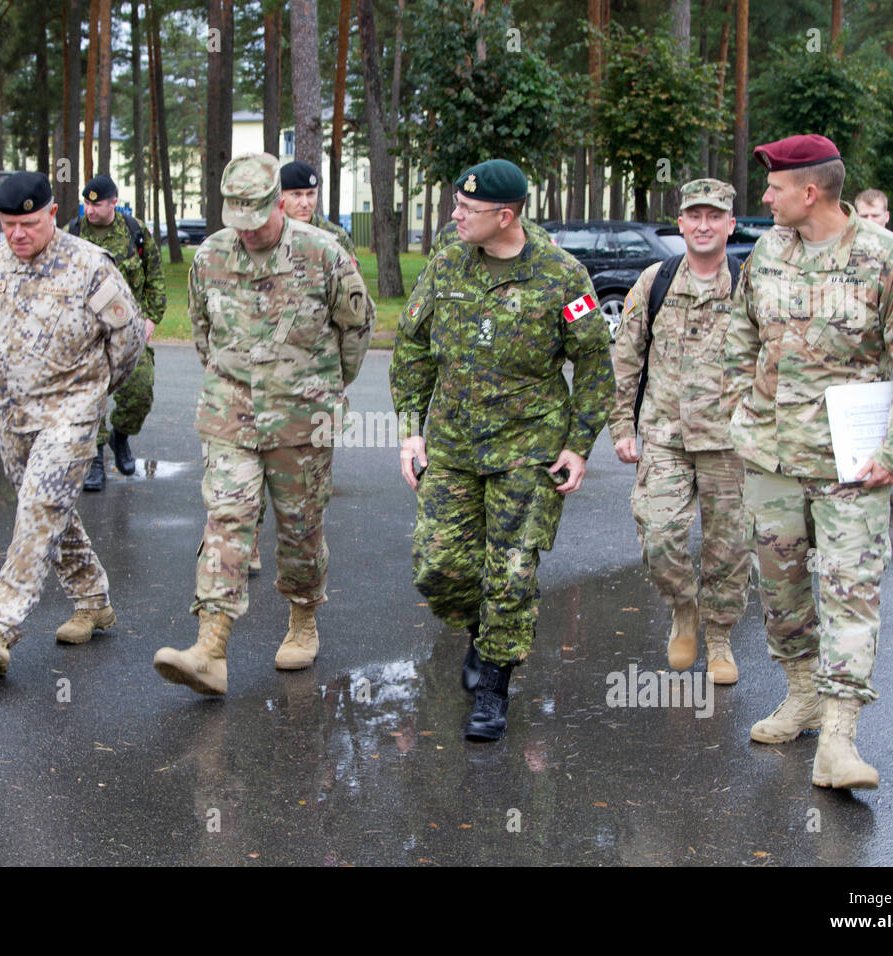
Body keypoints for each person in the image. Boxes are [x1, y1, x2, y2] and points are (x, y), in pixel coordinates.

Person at [723, 134, 893, 789]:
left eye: (775, 188)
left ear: (810, 191)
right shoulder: (767, 252)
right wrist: (739, 408)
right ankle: (803, 697)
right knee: (782, 592)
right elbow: (740, 334)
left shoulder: (890, 256)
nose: (766, 198)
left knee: (851, 592)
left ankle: (840, 740)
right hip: (771, 458)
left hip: (852, 464)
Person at [391, 158, 615, 741]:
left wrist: (579, 445)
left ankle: (493, 686)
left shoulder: (562, 276)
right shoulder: (446, 263)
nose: (455, 215)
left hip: (528, 449)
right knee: (438, 567)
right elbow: (411, 346)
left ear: (506, 217)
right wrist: (411, 429)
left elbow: (594, 365)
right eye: (457, 204)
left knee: (512, 571)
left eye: (468, 209)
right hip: (452, 446)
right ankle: (483, 630)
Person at [153, 152, 375, 696]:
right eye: (239, 220)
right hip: (230, 414)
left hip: (302, 419)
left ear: (279, 204)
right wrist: (230, 383)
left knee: (301, 530)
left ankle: (303, 618)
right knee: (228, 518)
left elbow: (356, 328)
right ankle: (210, 648)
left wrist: (323, 387)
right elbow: (202, 331)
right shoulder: (210, 256)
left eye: (257, 220)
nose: (248, 231)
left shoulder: (324, 254)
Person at [0, 172, 145, 676]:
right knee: (50, 509)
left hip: (71, 411)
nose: (16, 234)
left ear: (51, 213)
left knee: (39, 507)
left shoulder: (90, 266)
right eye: (7, 224)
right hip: (15, 414)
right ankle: (92, 600)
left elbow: (129, 339)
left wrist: (94, 392)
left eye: (27, 224)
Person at [608, 178, 750, 685]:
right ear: (681, 223)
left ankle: (720, 638)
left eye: (715, 216)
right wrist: (621, 424)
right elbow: (626, 356)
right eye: (695, 215)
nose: (704, 225)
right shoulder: (656, 281)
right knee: (659, 535)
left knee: (729, 549)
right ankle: (684, 608)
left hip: (730, 441)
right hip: (665, 435)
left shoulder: (749, 285)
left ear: (731, 225)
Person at [68, 175, 165, 491]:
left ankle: (120, 436)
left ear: (113, 202)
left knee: (140, 392)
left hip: (128, 328)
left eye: (96, 204)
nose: (90, 210)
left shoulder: (135, 231)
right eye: (86, 203)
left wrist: (152, 318)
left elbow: (155, 276)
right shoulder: (73, 233)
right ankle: (94, 460)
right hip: (87, 331)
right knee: (90, 397)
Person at [854, 188, 893, 515]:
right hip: (862, 361)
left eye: (874, 215)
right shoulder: (849, 253)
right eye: (863, 215)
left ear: (886, 216)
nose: (869, 221)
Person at [280, 159, 356, 261]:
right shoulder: (269, 234)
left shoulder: (336, 236)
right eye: (296, 194)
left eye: (310, 194)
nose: (305, 203)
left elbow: (352, 271)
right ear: (280, 196)